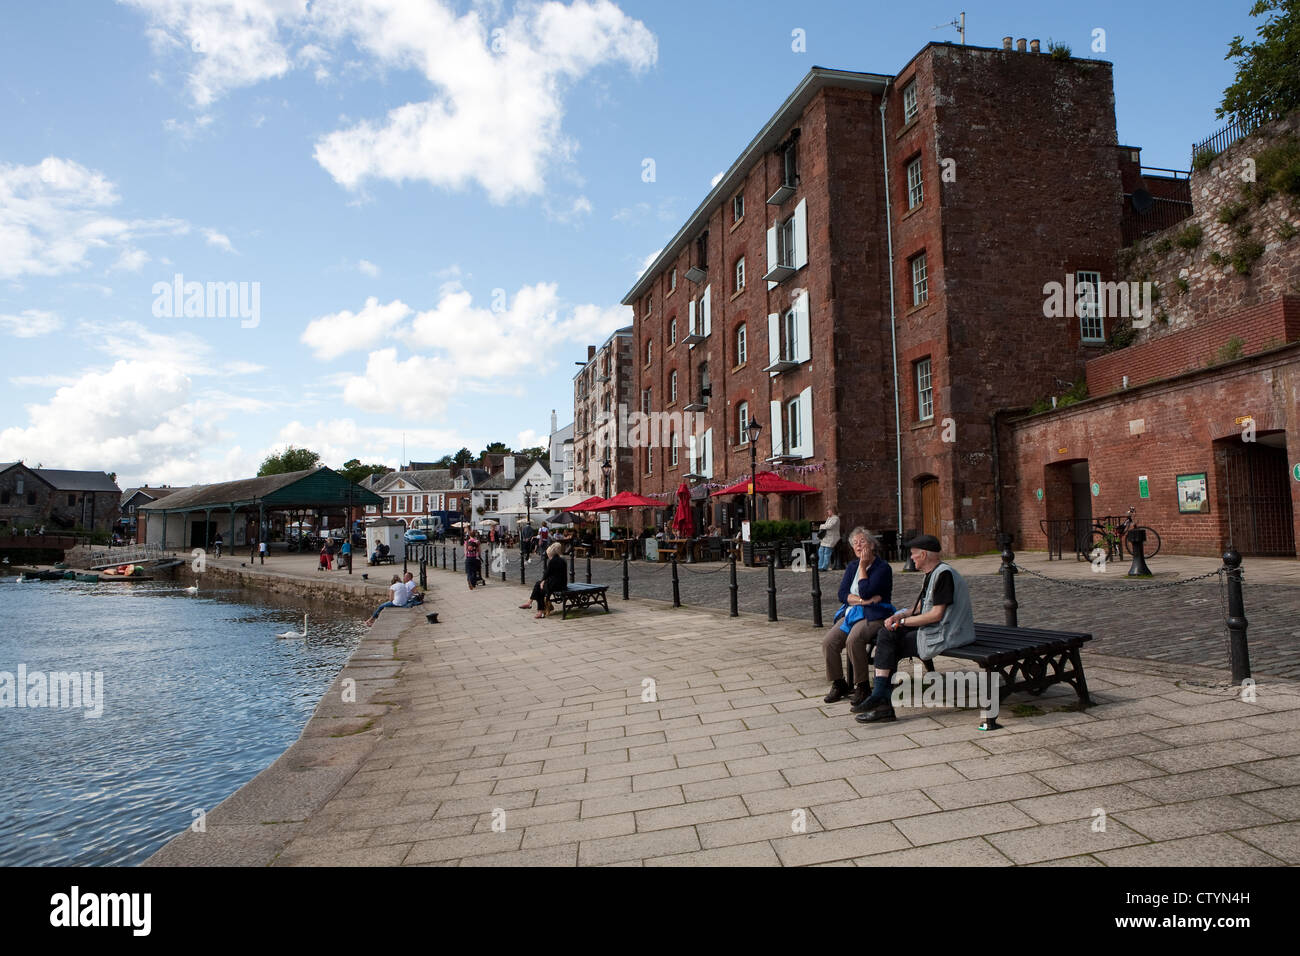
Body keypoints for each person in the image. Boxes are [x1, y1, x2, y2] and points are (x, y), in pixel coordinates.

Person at [854, 534, 976, 724]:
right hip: (936, 629)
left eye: (913, 554)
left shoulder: (943, 574)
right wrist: (900, 615)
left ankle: (881, 701)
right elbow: (922, 607)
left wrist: (902, 623)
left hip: (949, 633)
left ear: (924, 554)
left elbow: (936, 614)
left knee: (890, 643)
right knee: (887, 635)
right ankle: (881, 699)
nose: (911, 558)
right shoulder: (933, 573)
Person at [821, 529, 894, 704]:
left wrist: (863, 567)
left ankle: (862, 685)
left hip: (875, 615)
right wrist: (862, 601)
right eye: (855, 543)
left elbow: (866, 589)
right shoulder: (852, 566)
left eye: (862, 542)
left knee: (854, 639)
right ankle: (839, 683)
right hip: (853, 613)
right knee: (829, 642)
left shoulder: (882, 568)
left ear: (872, 545)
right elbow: (842, 594)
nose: (858, 545)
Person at [519, 542, 569, 618]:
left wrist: (543, 581)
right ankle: (534, 607)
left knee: (539, 587)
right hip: (562, 584)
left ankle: (537, 609)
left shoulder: (553, 561)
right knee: (538, 585)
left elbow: (547, 573)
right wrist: (543, 581)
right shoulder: (562, 560)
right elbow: (553, 575)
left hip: (556, 585)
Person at [818, 505, 841, 572]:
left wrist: (821, 526)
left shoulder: (836, 518)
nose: (827, 511)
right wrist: (824, 526)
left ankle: (824, 567)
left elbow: (829, 526)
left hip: (831, 539)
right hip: (825, 538)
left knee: (827, 553)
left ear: (832, 510)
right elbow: (826, 526)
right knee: (821, 552)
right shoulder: (829, 518)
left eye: (828, 510)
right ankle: (820, 566)